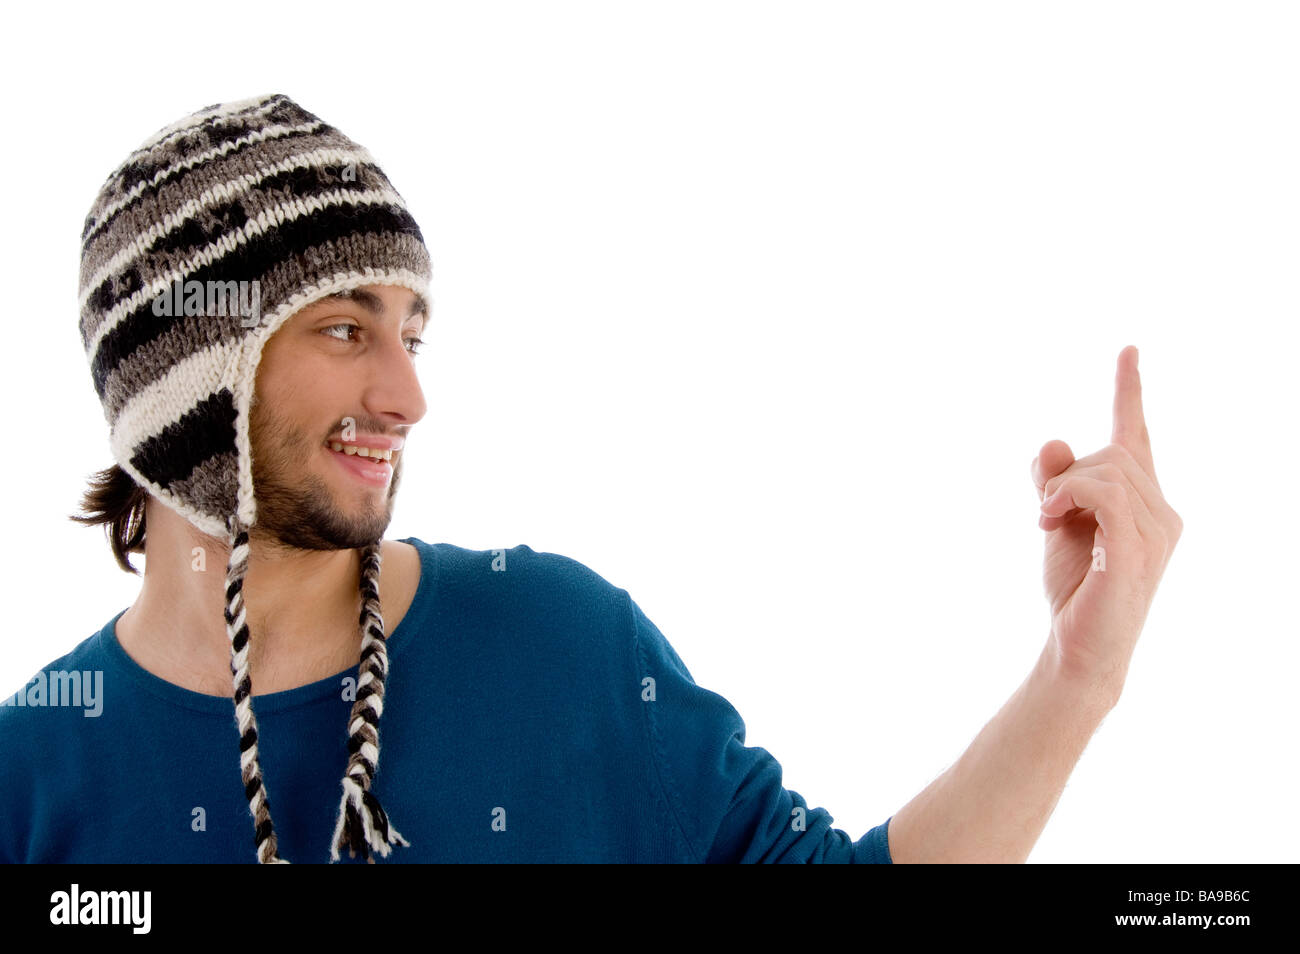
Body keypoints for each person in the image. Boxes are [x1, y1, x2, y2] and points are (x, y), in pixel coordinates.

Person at [0, 94, 1181, 864]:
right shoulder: (30, 778)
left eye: (414, 331)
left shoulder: (558, 647)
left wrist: (1079, 679)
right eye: (345, 330)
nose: (410, 399)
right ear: (188, 379)